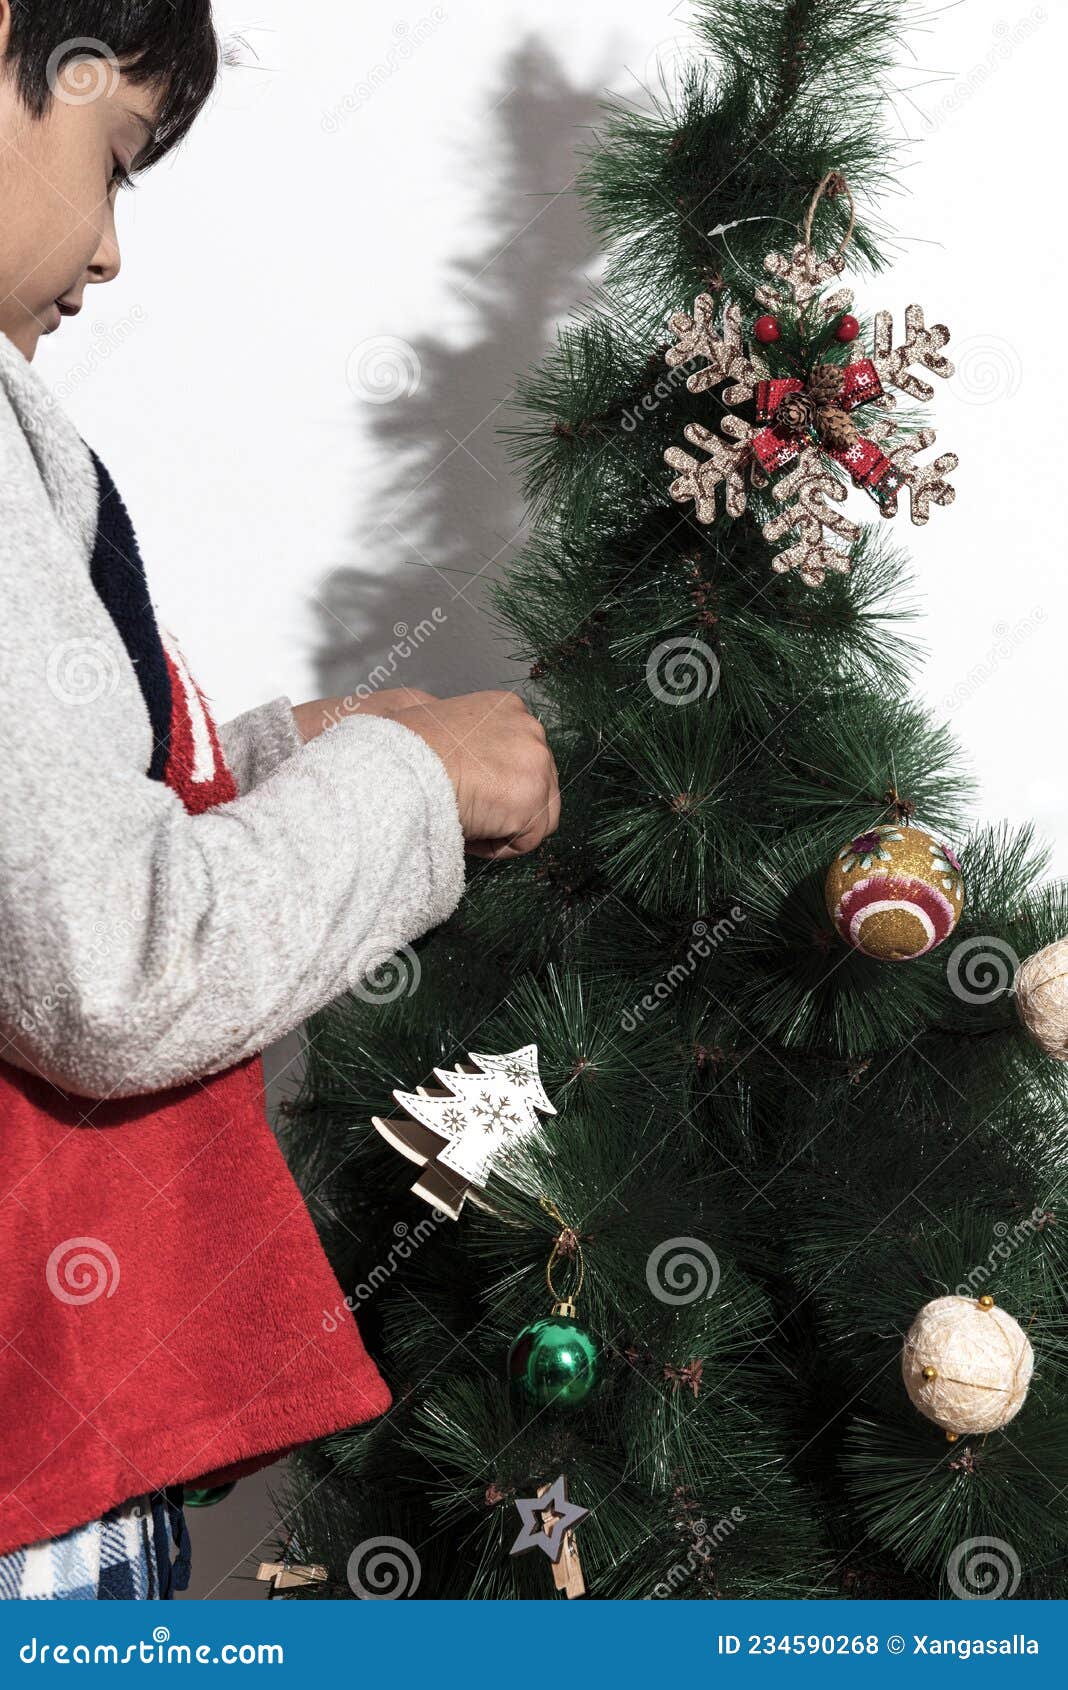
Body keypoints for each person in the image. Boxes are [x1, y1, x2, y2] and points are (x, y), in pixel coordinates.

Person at [0, 3, 559, 1599]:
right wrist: (408, 781)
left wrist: (277, 752)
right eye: (112, 163)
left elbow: (39, 839)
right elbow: (110, 962)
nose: (108, 254)